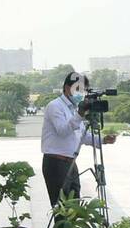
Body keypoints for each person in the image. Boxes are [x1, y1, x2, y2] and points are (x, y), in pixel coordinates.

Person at [40, 71, 115, 208]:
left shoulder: (75, 109)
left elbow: (82, 136)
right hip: (56, 163)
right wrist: (80, 114)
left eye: (83, 90)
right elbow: (62, 131)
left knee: (75, 207)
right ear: (67, 88)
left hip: (71, 162)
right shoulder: (55, 106)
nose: (81, 93)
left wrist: (103, 140)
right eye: (78, 89)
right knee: (62, 209)